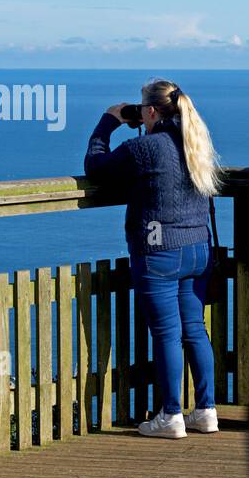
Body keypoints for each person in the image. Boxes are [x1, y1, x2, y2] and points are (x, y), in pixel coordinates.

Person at [84, 79, 223, 439]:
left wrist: (109, 121)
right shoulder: (197, 144)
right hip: (198, 249)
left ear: (148, 111)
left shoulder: (145, 148)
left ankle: (171, 415)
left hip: (160, 253)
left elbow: (96, 166)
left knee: (166, 333)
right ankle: (206, 410)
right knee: (194, 329)